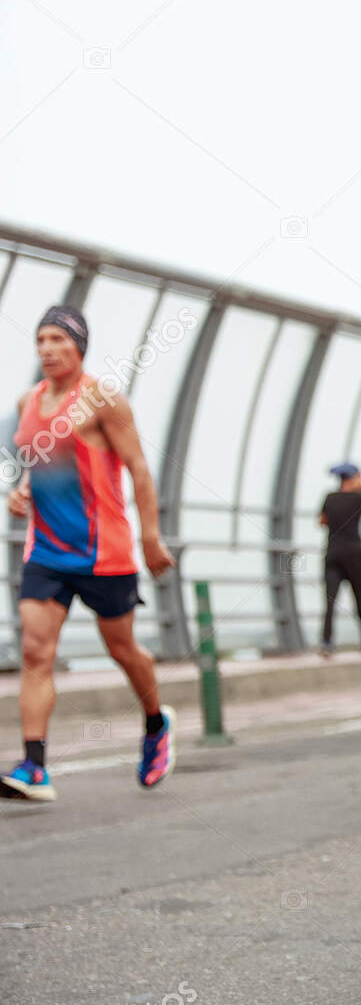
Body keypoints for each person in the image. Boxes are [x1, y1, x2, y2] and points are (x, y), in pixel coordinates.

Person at [2, 305, 177, 802]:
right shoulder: (27, 402)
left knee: (122, 650)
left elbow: (139, 468)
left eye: (58, 338)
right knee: (36, 651)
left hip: (105, 554)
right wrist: (20, 494)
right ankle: (35, 767)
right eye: (40, 340)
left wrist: (150, 536)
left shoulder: (102, 399)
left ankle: (155, 722)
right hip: (47, 553)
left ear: (79, 345)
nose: (47, 349)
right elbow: (36, 466)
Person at [319, 462, 361, 657]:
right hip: (354, 553)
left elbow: (321, 521)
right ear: (353, 478)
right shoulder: (357, 498)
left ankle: (327, 640)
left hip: (333, 552)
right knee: (359, 596)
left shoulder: (329, 498)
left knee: (330, 599)